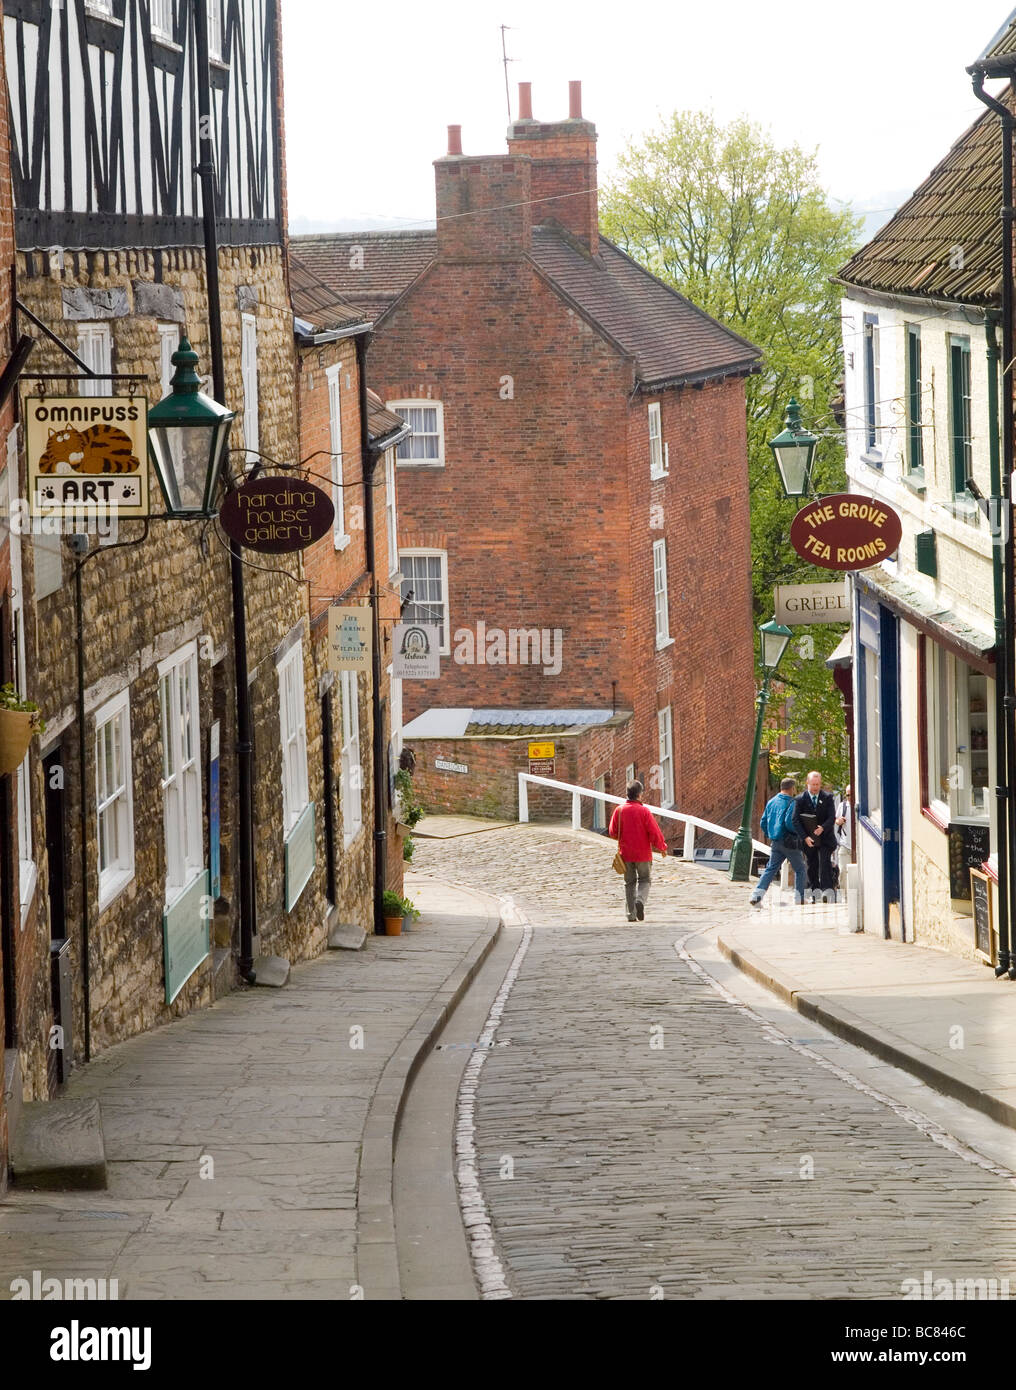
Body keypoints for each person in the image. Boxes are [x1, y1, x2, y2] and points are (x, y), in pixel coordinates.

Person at [608, 780, 668, 922]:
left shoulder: (619, 810)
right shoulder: (644, 811)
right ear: (640, 795)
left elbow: (612, 832)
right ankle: (640, 901)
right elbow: (654, 832)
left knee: (629, 883)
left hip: (626, 854)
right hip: (643, 854)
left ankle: (631, 914)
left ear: (627, 794)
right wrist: (662, 847)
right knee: (645, 880)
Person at [749, 776, 809, 908]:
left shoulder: (771, 802)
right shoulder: (792, 803)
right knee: (800, 869)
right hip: (790, 842)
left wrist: (770, 833)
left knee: (770, 869)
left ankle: (756, 895)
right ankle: (800, 898)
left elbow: (763, 822)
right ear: (792, 788)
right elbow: (790, 823)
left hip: (775, 841)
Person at [794, 769, 837, 903]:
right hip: (809, 839)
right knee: (812, 865)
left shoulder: (828, 797)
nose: (815, 787)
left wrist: (823, 827)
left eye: (817, 784)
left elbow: (832, 817)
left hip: (825, 838)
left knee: (825, 863)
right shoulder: (800, 799)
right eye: (813, 784)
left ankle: (827, 891)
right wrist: (805, 837)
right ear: (807, 783)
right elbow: (795, 820)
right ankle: (815, 892)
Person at [834, 784, 852, 889]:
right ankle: (845, 896)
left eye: (850, 795)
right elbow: (836, 820)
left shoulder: (859, 806)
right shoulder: (843, 806)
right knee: (842, 872)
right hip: (844, 844)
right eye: (847, 795)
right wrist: (839, 821)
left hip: (856, 847)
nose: (849, 797)